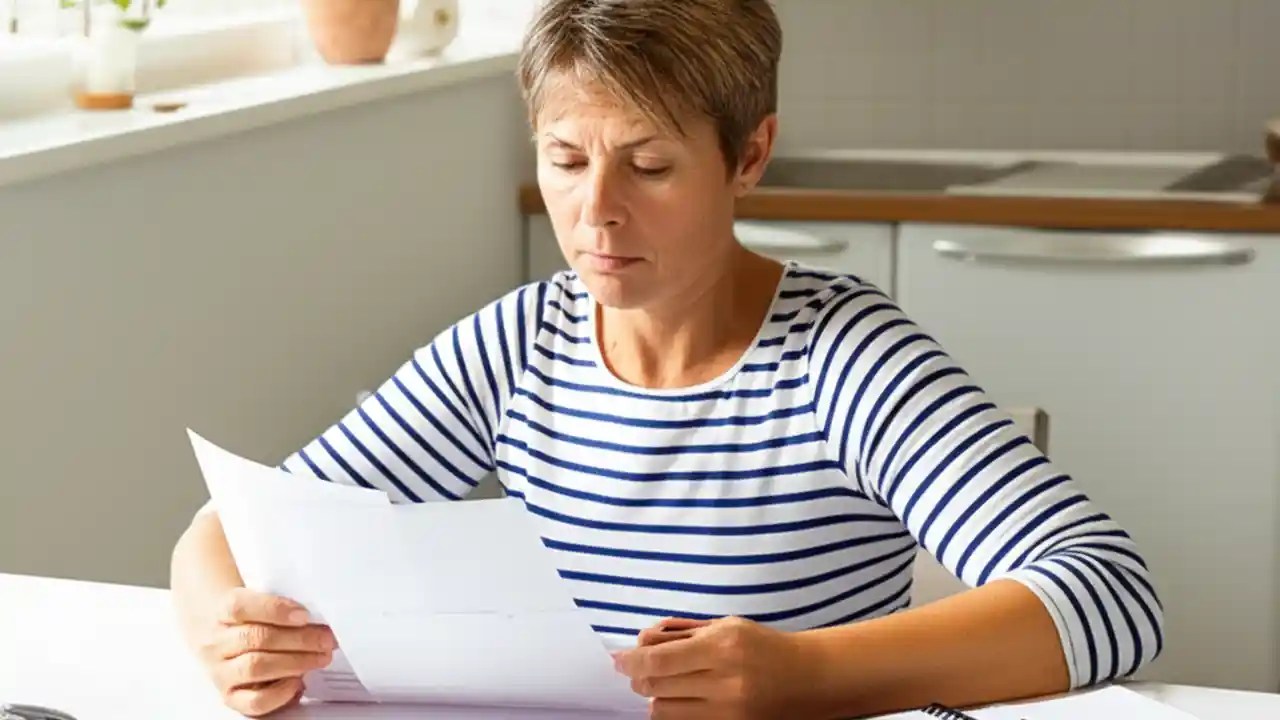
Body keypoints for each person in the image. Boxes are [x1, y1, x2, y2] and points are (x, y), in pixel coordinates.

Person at [169, 1, 1165, 717]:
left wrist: (803, 678)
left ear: (748, 155)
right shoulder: (518, 343)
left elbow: (1107, 593)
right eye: (564, 160)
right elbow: (223, 533)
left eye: (647, 166)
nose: (595, 210)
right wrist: (231, 628)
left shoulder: (842, 360)